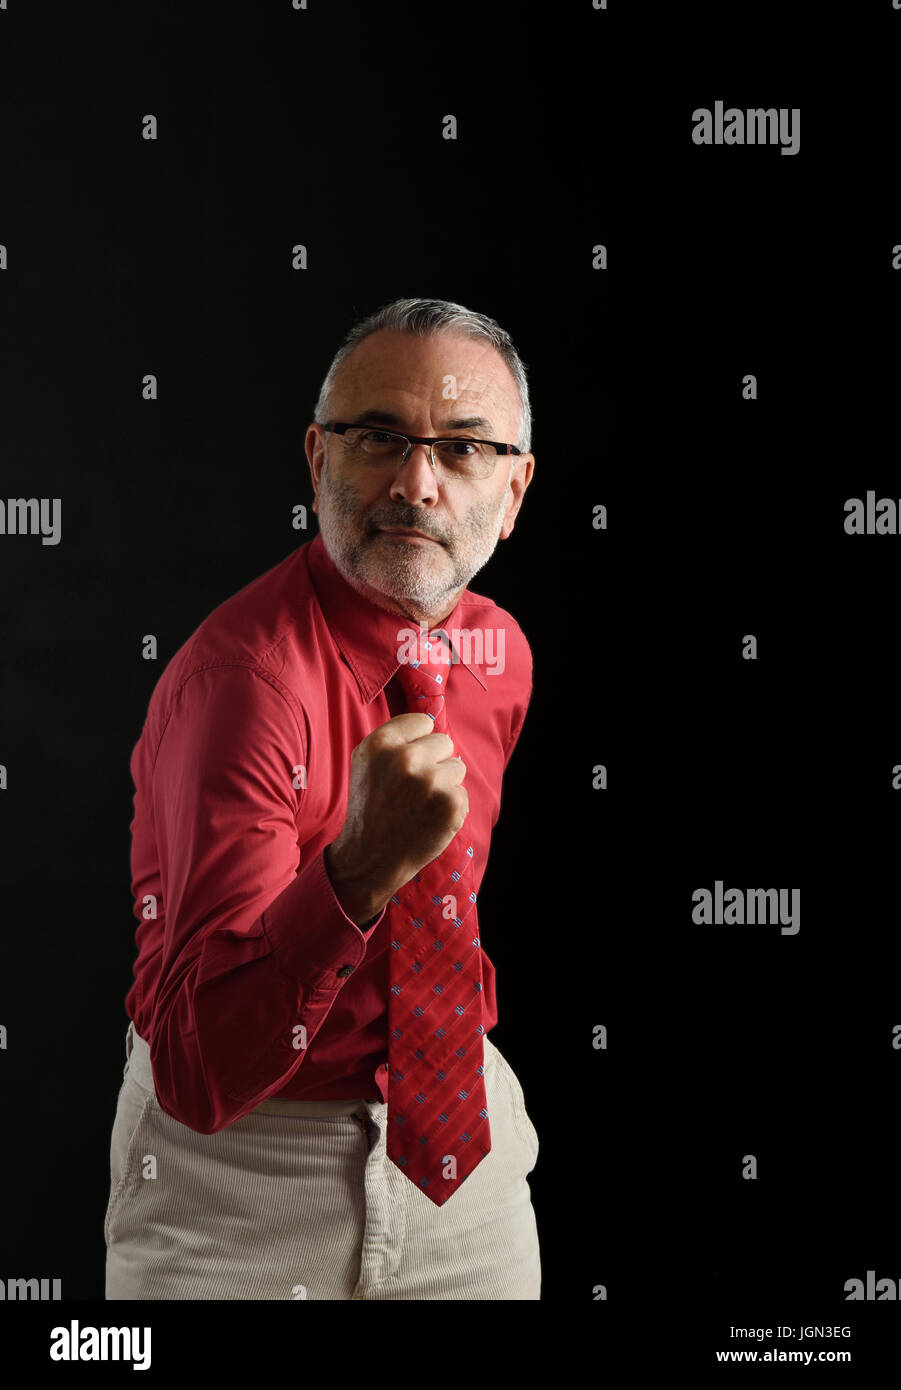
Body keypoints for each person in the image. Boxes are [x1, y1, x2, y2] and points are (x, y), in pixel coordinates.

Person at [104, 296, 539, 1299]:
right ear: (316, 460)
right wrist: (354, 871)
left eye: (464, 448)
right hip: (242, 1186)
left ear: (515, 494)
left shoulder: (502, 654)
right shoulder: (241, 686)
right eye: (379, 436)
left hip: (464, 1154)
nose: (415, 483)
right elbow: (199, 1072)